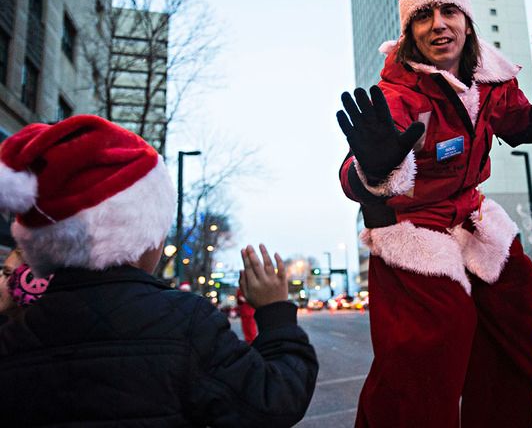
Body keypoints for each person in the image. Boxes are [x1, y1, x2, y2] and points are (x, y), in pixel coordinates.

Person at [337, 0, 532, 427]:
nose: (438, 24)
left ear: (466, 22)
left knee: (531, 324)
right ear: (409, 34)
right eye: (423, 16)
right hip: (412, 236)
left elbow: (523, 124)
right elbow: (351, 175)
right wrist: (374, 168)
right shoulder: (398, 95)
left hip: (474, 223)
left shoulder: (489, 84)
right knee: (435, 340)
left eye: (449, 11)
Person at [0, 115, 318, 427]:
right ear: (142, 232)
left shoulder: (14, 333)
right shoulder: (185, 322)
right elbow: (275, 400)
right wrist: (275, 312)